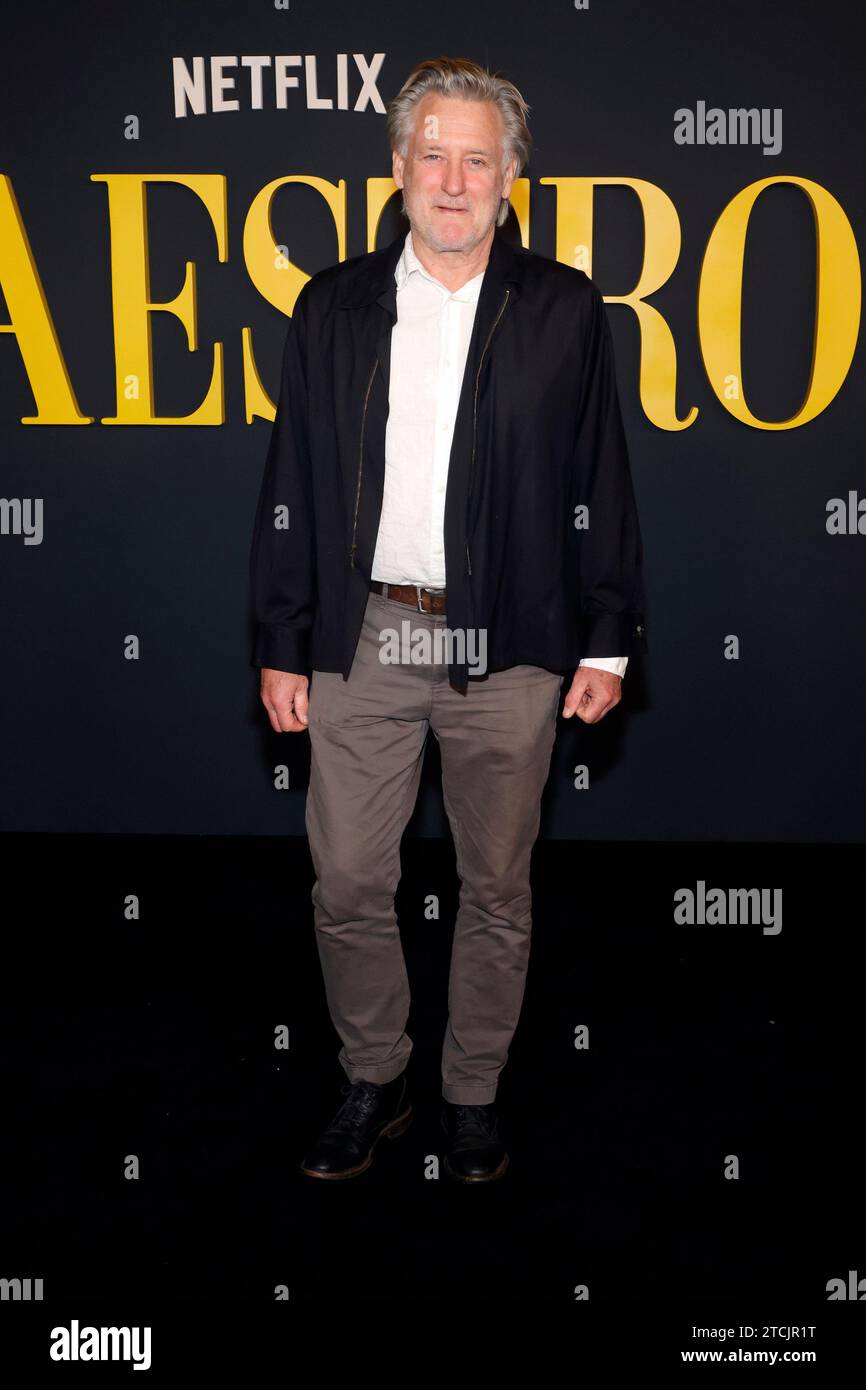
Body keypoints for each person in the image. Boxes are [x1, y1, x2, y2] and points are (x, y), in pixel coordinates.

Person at [249, 55, 647, 1183]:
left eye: (478, 158)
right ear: (397, 167)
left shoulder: (563, 309)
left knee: (497, 885)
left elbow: (598, 476)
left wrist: (606, 635)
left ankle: (470, 1092)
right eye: (434, 153)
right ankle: (372, 1075)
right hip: (367, 637)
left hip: (510, 642)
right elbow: (291, 478)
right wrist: (281, 638)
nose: (454, 178)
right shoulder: (331, 304)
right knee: (346, 881)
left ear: (511, 177)